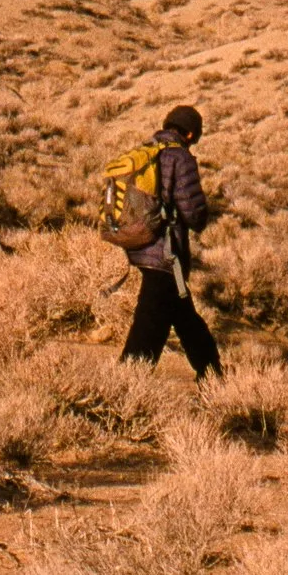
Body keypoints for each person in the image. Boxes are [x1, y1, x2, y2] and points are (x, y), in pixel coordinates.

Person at [120, 103, 223, 378]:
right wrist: (202, 216)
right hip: (166, 253)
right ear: (190, 134)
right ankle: (127, 383)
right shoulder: (180, 158)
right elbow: (193, 212)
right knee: (149, 326)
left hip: (140, 247)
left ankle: (212, 376)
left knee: (184, 317)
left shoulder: (143, 153)